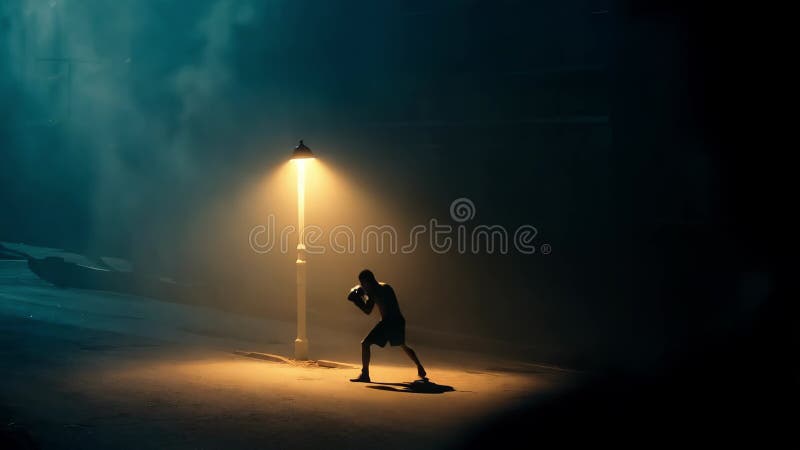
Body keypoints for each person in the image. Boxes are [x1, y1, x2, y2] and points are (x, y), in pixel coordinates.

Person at [347, 269, 427, 383]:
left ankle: (365, 375)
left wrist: (357, 300)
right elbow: (370, 307)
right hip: (394, 321)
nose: (362, 285)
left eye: (363, 283)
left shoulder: (378, 290)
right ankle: (419, 366)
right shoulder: (382, 287)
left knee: (367, 343)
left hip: (390, 322)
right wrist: (361, 297)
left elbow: (368, 310)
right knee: (402, 345)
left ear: (367, 281)